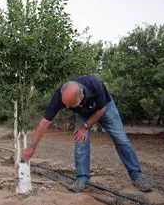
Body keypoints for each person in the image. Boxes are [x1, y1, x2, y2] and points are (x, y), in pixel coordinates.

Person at [22, 75, 152, 193]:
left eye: (70, 105)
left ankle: (137, 176)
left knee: (121, 139)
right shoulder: (60, 96)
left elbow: (102, 109)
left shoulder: (95, 84)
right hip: (83, 113)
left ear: (82, 96)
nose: (66, 107)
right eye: (65, 104)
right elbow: (44, 122)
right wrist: (32, 147)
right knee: (80, 141)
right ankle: (82, 179)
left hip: (105, 108)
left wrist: (85, 126)